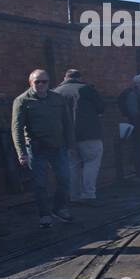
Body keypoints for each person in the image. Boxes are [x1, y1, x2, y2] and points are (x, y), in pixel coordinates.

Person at [12, 69, 74, 229]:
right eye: (36, 81)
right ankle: (44, 215)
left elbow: (67, 123)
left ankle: (59, 208)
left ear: (48, 82)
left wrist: (70, 144)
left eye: (44, 81)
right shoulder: (22, 101)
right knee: (39, 183)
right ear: (30, 83)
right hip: (35, 147)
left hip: (58, 146)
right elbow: (17, 129)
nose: (40, 84)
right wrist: (21, 153)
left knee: (65, 178)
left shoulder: (58, 99)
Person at [52, 69, 105, 203]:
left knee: (72, 165)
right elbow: (101, 108)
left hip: (66, 136)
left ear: (65, 77)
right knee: (91, 163)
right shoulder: (87, 89)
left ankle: (74, 196)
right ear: (80, 78)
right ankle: (88, 194)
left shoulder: (54, 92)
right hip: (89, 134)